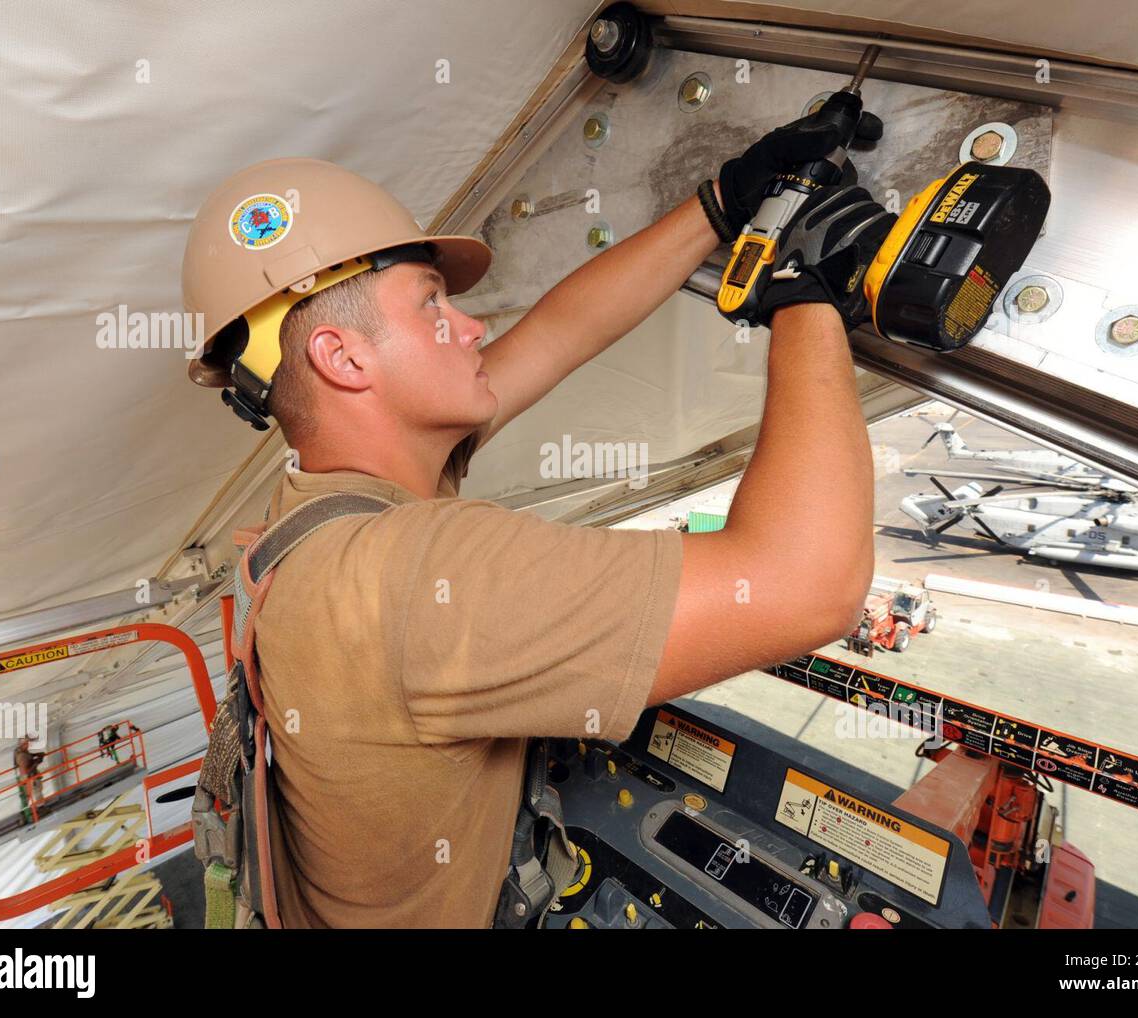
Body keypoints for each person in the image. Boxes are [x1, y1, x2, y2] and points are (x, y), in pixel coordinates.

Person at [180, 116, 885, 926]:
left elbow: (555, 335)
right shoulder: (413, 578)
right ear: (344, 360)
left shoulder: (328, 504)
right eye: (433, 305)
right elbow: (808, 584)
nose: (472, 326)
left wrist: (721, 206)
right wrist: (808, 296)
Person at [14, 737, 45, 824]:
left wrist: (37, 755)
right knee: (36, 792)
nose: (28, 745)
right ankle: (40, 809)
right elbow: (26, 771)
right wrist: (36, 763)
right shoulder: (22, 756)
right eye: (26, 743)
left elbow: (29, 757)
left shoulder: (21, 752)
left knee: (27, 796)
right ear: (22, 744)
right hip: (30, 777)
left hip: (28, 777)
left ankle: (24, 814)